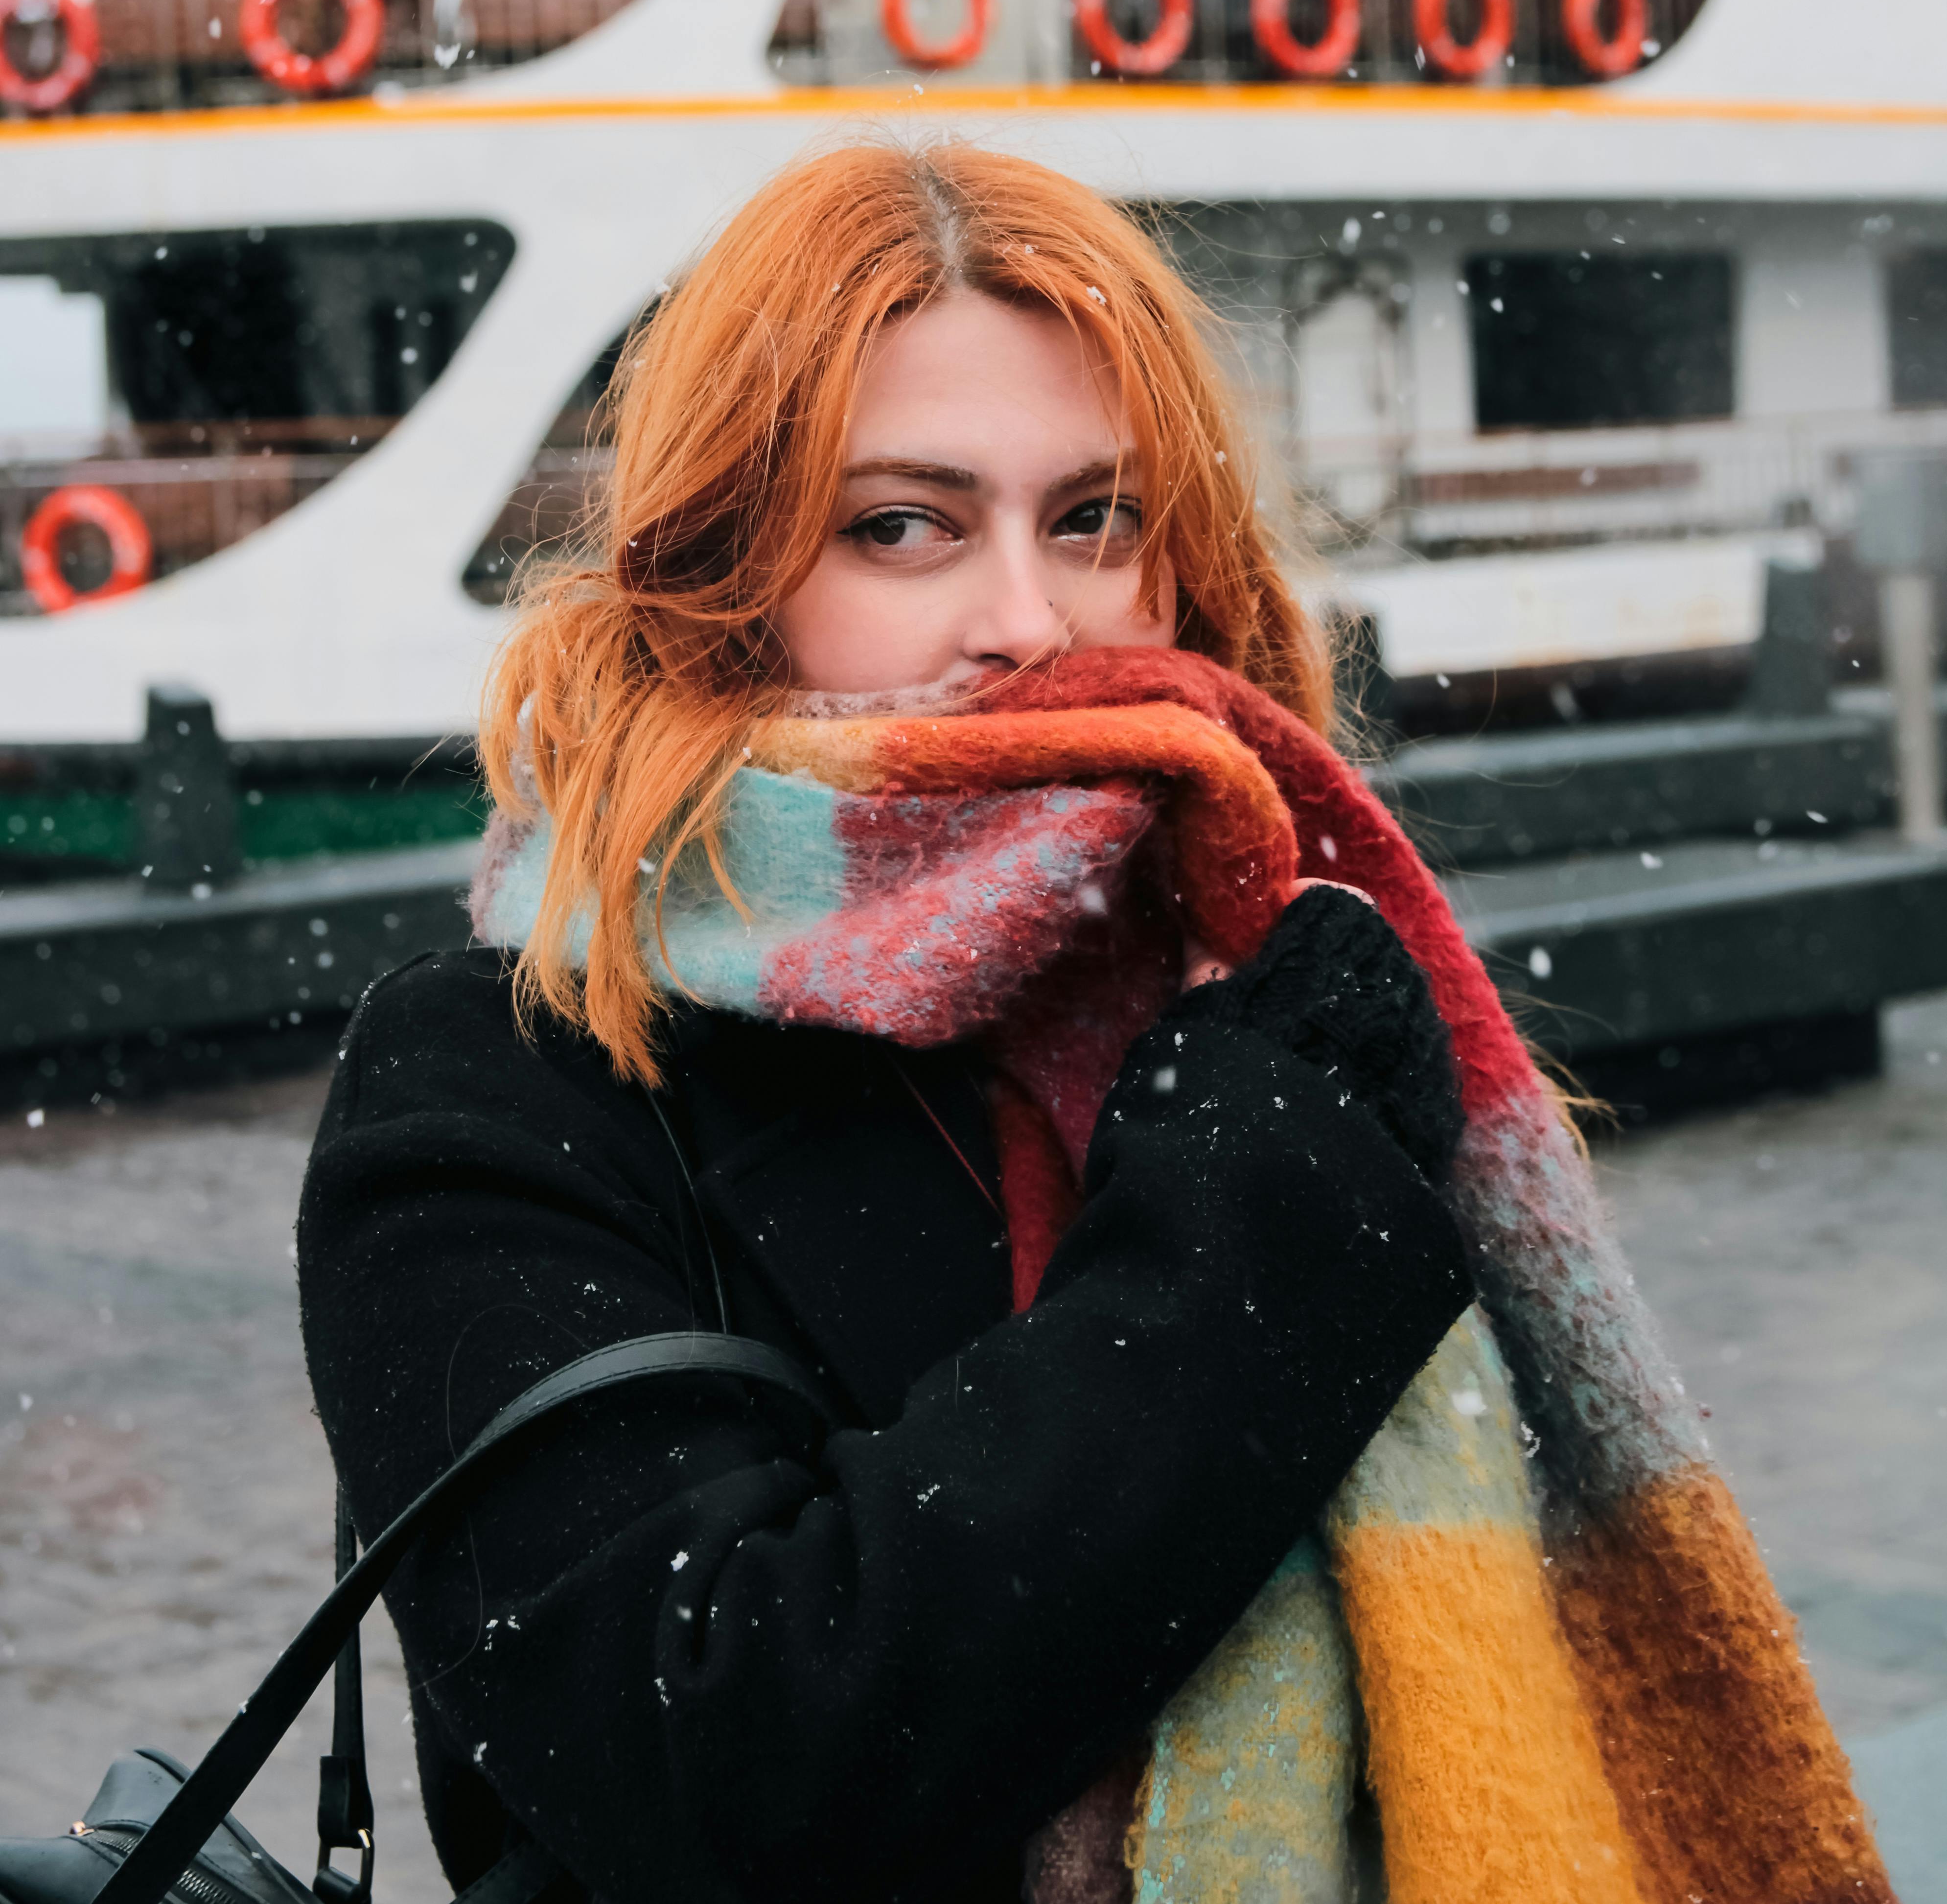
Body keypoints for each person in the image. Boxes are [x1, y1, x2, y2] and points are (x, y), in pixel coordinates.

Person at [298, 143, 1883, 1904]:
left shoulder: (1245, 963)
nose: (1027, 625)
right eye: (902, 524)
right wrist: (1258, 1200)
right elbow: (716, 1763)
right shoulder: (503, 1075)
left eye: (1093, 521)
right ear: (724, 570)